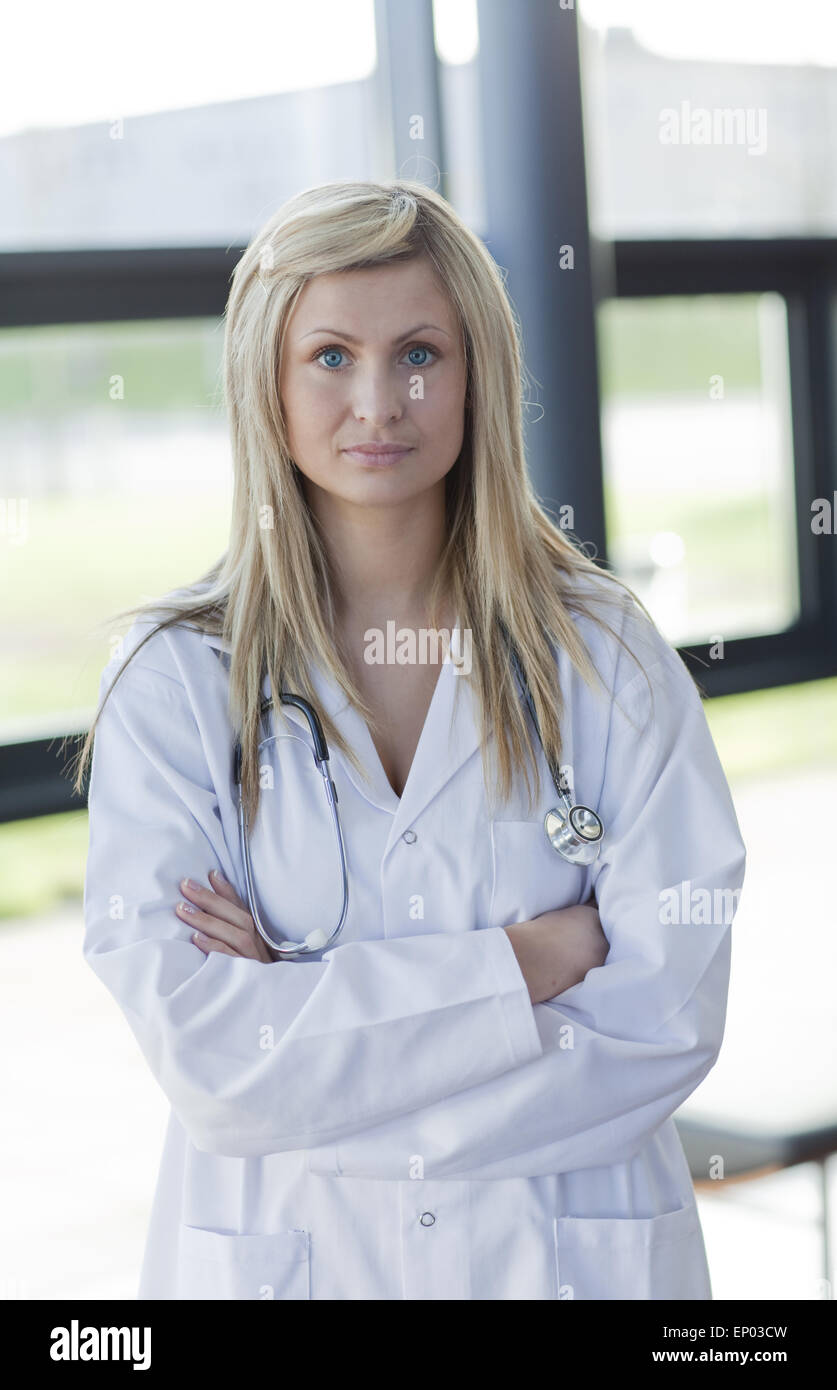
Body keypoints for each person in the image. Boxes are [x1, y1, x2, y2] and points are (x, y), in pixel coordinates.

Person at [75, 179, 746, 1301]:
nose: (379, 400)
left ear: (477, 370)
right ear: (266, 383)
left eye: (421, 352)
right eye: (330, 355)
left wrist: (310, 1042)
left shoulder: (606, 653)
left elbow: (660, 1029)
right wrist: (523, 964)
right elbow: (216, 1073)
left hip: (563, 1265)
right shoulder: (174, 681)